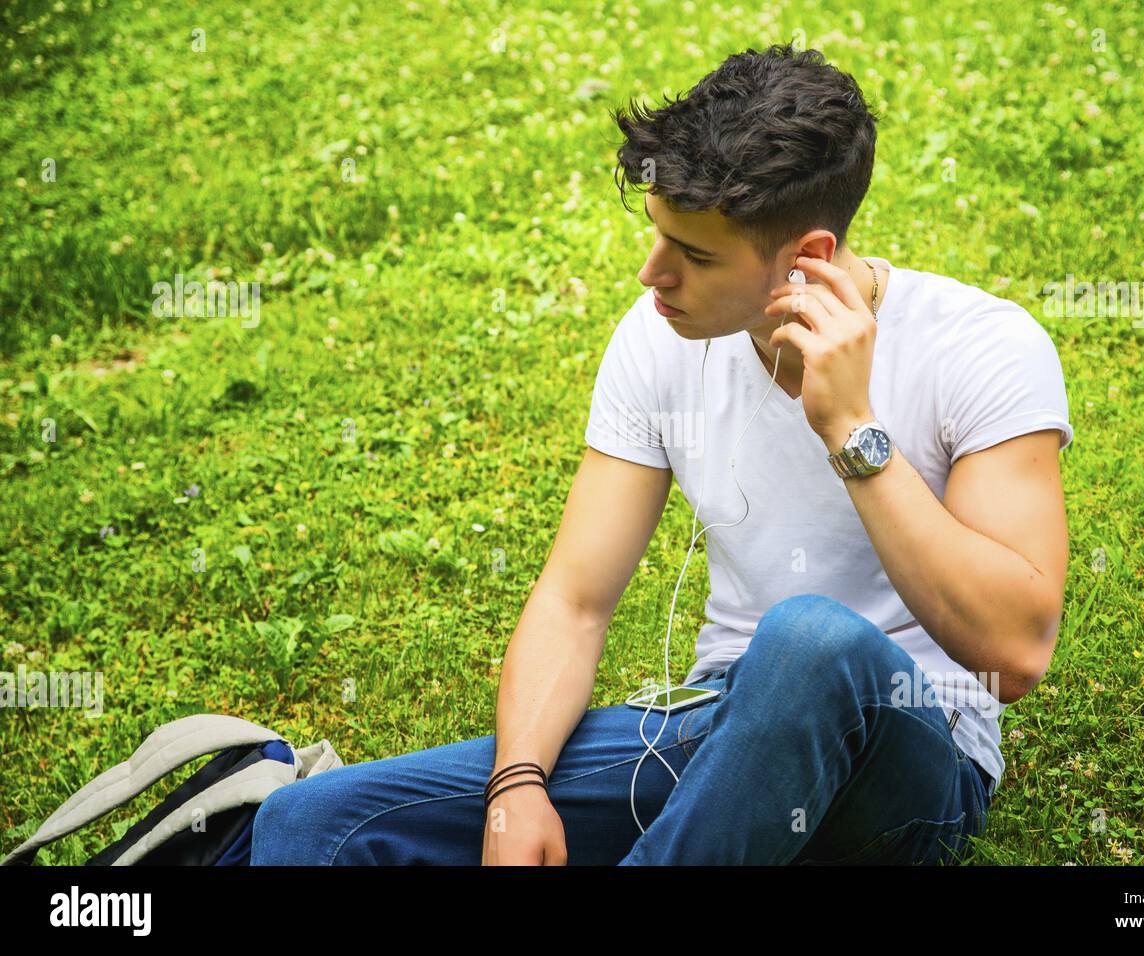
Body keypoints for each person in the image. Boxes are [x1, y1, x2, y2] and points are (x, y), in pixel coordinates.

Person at [250, 42, 1072, 866]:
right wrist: (517, 786)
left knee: (811, 643)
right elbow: (575, 599)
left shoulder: (983, 347)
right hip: (722, 730)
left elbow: (1016, 646)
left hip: (912, 761)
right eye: (657, 236)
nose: (653, 275)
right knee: (309, 823)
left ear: (808, 260)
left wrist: (852, 430)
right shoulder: (660, 339)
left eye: (696, 255)